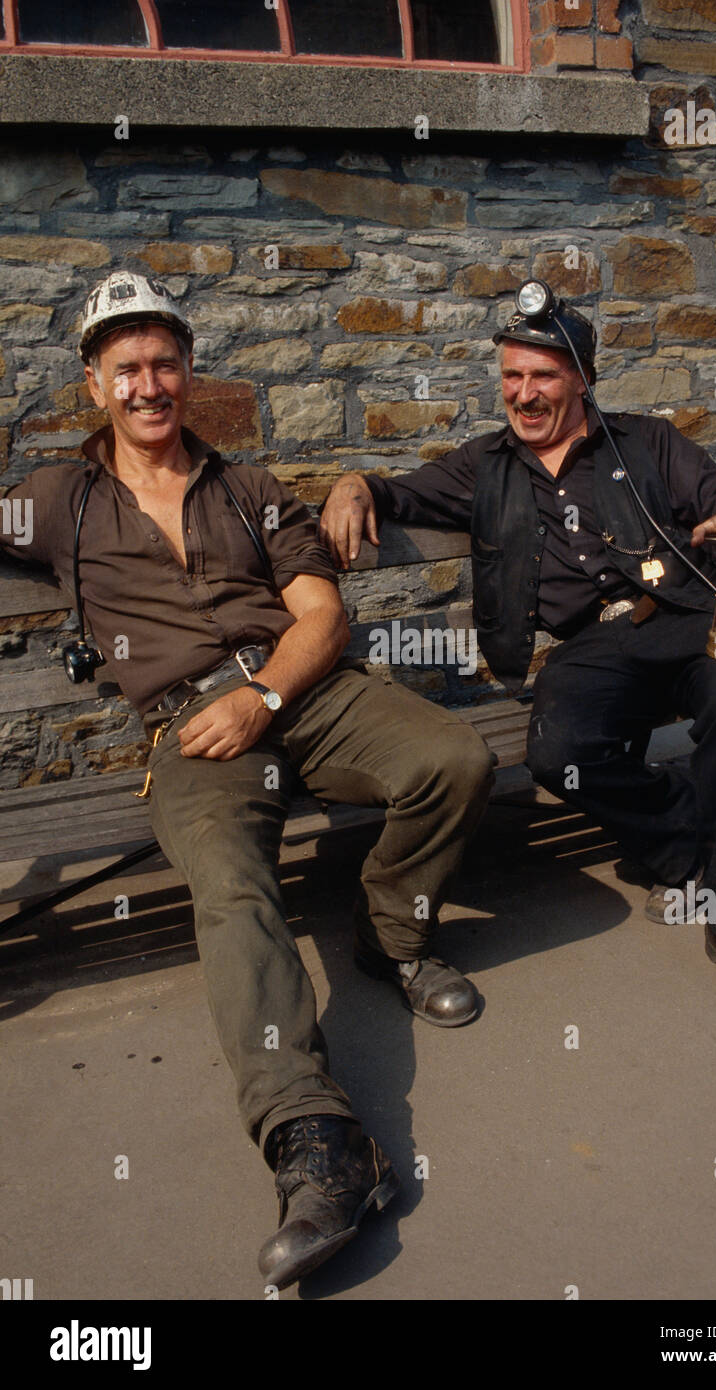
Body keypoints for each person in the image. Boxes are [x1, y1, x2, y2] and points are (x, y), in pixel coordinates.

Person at [0, 271, 494, 1290]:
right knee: (229, 886)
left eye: (166, 362)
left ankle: (391, 935)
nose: (150, 385)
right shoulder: (54, 502)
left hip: (301, 692)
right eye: (127, 367)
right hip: (188, 732)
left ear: (190, 372)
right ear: (95, 384)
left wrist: (262, 698)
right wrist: (219, 712)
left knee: (457, 757)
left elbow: (323, 616)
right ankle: (317, 1142)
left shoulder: (249, 487)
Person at [320, 287, 716, 1021]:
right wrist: (353, 485)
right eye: (512, 376)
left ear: (581, 378)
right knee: (558, 750)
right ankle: (691, 836)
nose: (524, 392)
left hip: (687, 620)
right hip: (597, 646)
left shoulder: (647, 441)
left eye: (542, 376)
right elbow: (397, 493)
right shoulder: (487, 464)